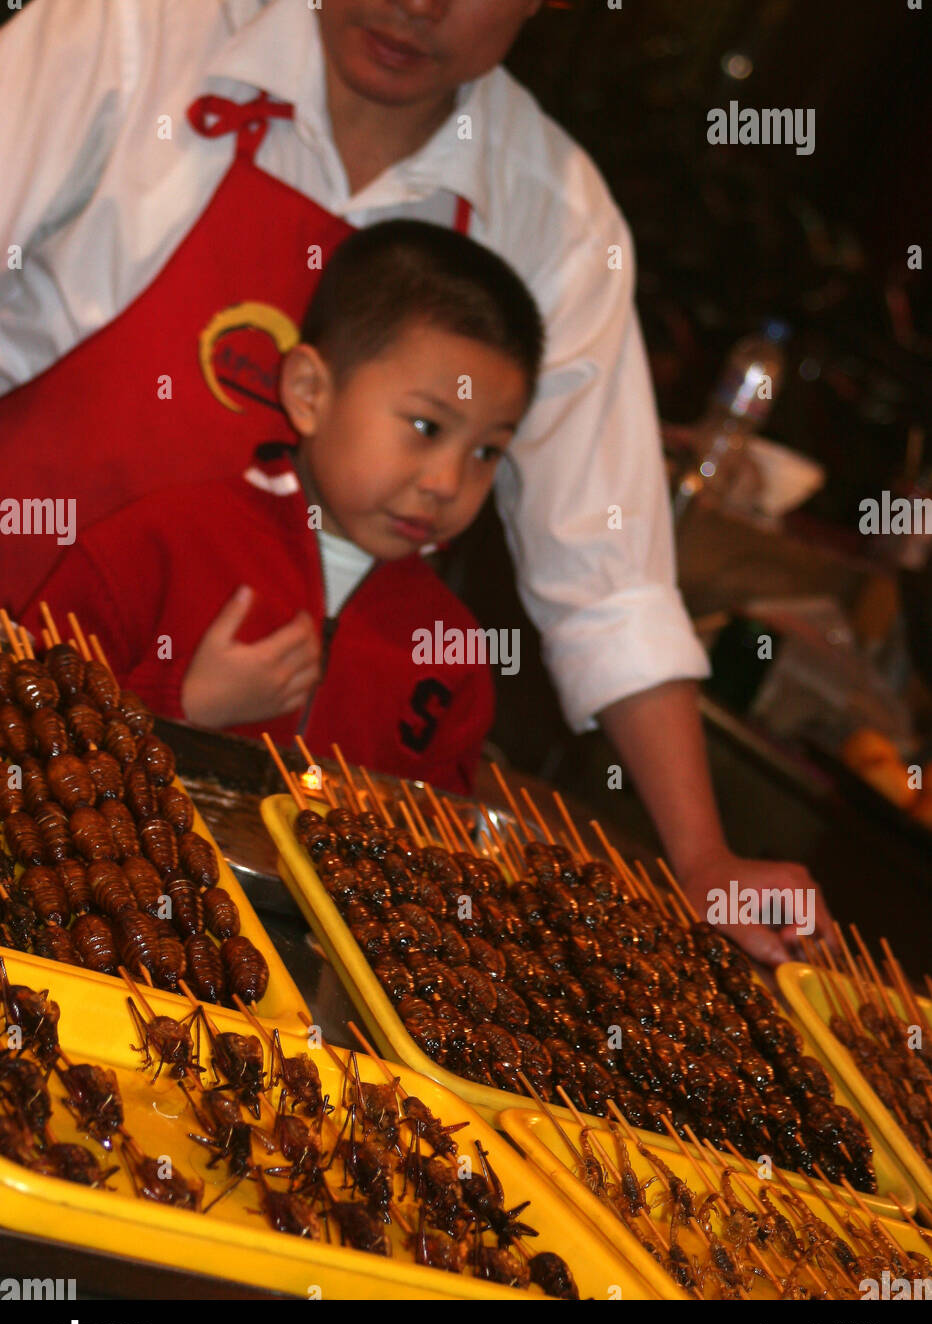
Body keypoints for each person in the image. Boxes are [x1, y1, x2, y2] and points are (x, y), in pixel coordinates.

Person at [0, 0, 830, 962]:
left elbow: (611, 581)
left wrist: (703, 856)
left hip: (218, 878)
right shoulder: (131, 33)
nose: (417, 3)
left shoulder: (549, 209)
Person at [25, 220, 544, 794]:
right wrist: (182, 705)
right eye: (426, 425)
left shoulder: (454, 655)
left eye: (487, 450)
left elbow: (435, 837)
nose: (449, 481)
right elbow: (23, 727)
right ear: (309, 392)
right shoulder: (161, 543)